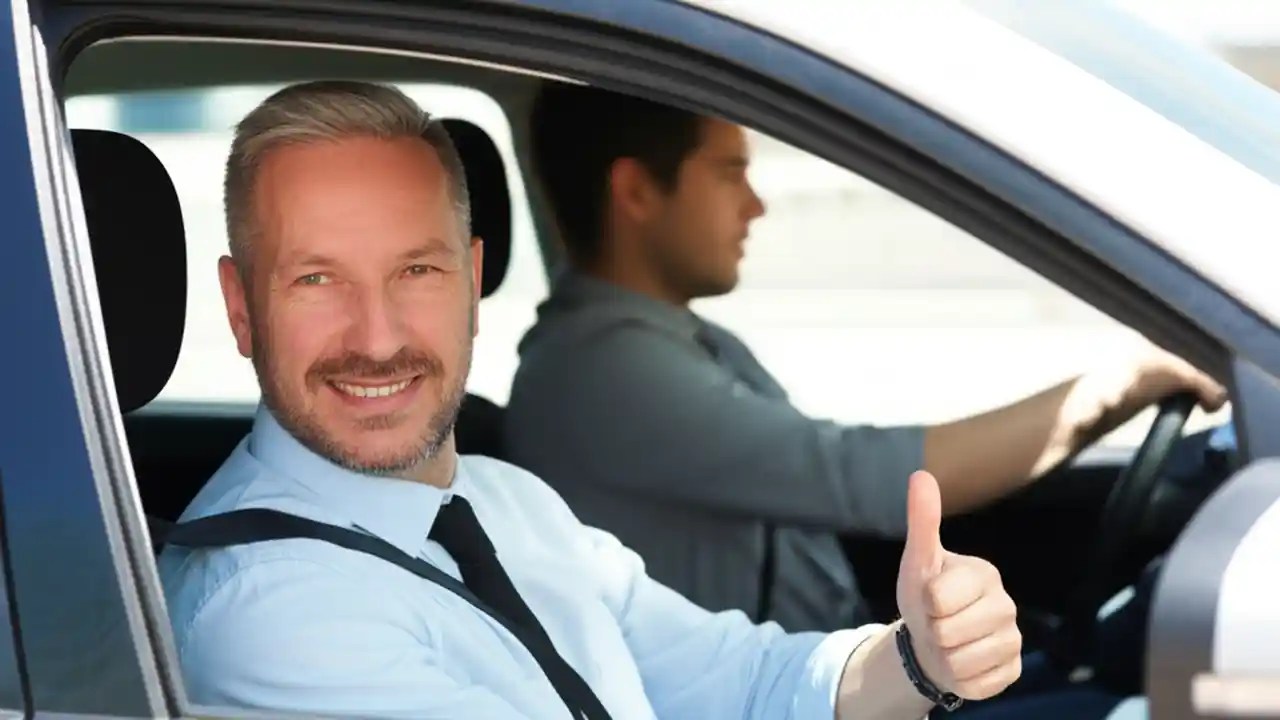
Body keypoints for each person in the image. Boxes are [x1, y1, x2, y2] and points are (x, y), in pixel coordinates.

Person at [155, 79, 1047, 720]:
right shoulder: (265, 613)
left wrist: (917, 658)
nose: (378, 335)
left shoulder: (509, 505)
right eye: (316, 279)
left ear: (471, 280)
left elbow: (741, 681)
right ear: (242, 309)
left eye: (416, 270)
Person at [505, 82, 1227, 637]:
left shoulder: (678, 343)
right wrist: (1116, 387)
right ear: (635, 190)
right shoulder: (604, 374)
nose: (754, 205)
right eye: (729, 173)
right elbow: (866, 476)